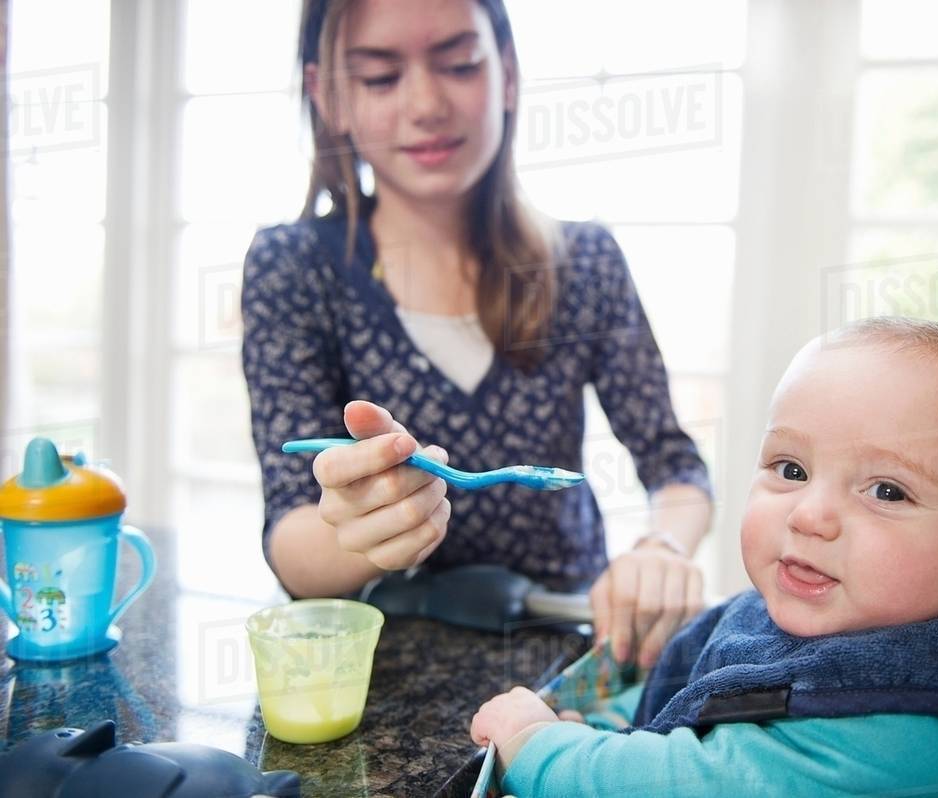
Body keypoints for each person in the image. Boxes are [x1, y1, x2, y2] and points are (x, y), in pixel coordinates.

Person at [240, 0, 713, 669]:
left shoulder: (585, 263)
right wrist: (356, 530)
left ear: (509, 73)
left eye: (459, 64)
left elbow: (677, 468)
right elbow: (290, 537)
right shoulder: (293, 268)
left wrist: (662, 548)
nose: (427, 104)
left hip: (567, 658)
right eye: (380, 77)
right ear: (328, 97)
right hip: (376, 671)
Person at [470, 317, 938, 796]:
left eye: (887, 492)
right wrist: (605, 728)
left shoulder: (911, 732)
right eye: (790, 470)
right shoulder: (839, 624)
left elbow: (682, 784)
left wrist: (538, 747)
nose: (808, 515)